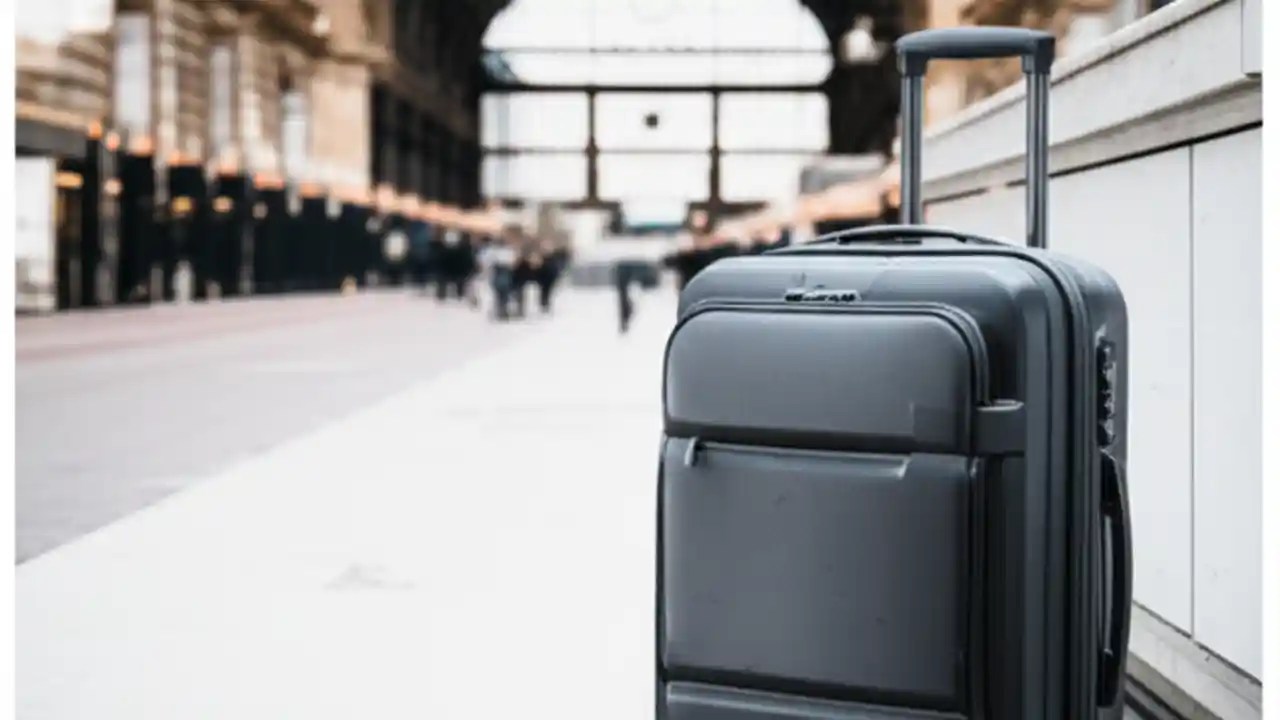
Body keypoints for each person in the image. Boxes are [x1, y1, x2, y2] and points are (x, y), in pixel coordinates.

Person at [480, 228, 519, 321]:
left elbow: (485, 261)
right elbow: (513, 262)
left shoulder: (493, 250)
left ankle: (500, 310)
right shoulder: (509, 250)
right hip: (504, 272)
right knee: (504, 294)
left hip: (498, 273)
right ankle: (502, 310)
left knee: (499, 293)